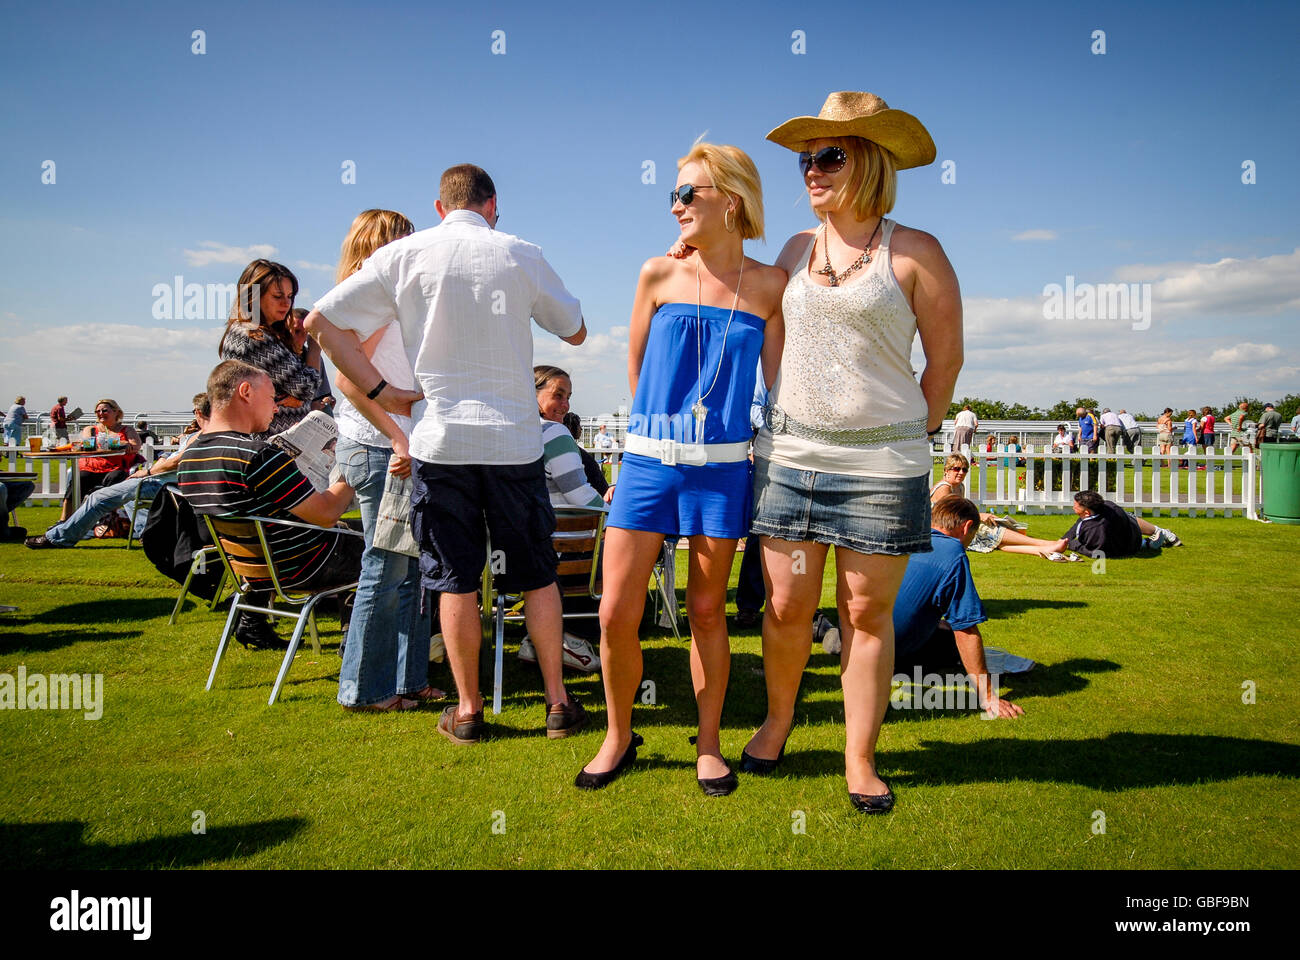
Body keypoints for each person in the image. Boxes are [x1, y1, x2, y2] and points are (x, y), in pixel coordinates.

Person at [304, 163, 590, 743]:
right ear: (491, 206)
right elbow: (577, 330)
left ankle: (467, 710)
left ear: (440, 207)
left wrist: (385, 392)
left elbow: (320, 324)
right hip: (511, 440)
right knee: (536, 575)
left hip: (440, 441)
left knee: (455, 579)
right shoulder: (520, 252)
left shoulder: (404, 256)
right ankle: (558, 704)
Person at [745, 91, 960, 815]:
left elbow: (945, 363)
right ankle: (777, 722)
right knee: (785, 607)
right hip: (791, 460)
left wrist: (900, 435)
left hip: (882, 468)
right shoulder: (793, 251)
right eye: (807, 160)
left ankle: (859, 758)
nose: (811, 170)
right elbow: (756, 316)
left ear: (867, 161)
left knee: (866, 616)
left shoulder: (917, 250)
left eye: (828, 156)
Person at [577, 142, 785, 796]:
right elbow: (637, 376)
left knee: (704, 610)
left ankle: (709, 743)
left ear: (732, 200)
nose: (675, 205)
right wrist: (648, 442)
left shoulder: (773, 286)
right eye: (673, 194)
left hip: (722, 472)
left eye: (688, 193)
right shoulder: (656, 275)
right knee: (615, 611)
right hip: (646, 464)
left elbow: (778, 386)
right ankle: (618, 734)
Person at [324, 208, 446, 713]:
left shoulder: (385, 299)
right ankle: (364, 688)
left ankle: (408, 676)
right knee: (386, 567)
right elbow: (349, 381)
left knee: (412, 569)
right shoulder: (370, 301)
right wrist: (398, 436)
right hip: (382, 448)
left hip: (397, 445)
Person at [178, 361, 365, 652]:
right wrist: (352, 470)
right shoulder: (258, 455)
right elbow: (327, 514)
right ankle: (358, 644)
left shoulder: (191, 458)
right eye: (271, 398)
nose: (276, 408)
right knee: (381, 545)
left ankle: (255, 622)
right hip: (303, 565)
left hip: (255, 569)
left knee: (354, 533)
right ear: (245, 392)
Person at [893, 497, 1024, 718]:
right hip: (896, 652)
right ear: (966, 528)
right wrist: (988, 696)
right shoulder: (952, 552)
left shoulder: (907, 537)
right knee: (951, 639)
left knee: (940, 626)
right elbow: (966, 628)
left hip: (860, 641)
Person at [26, 395, 209, 548]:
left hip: (163, 482)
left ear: (199, 412)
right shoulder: (196, 435)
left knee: (98, 498)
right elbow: (170, 458)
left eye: (194, 412)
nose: (101, 413)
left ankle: (57, 538)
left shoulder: (202, 435)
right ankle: (146, 534)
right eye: (98, 411)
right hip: (153, 477)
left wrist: (148, 472)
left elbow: (176, 461)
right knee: (104, 488)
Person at [524, 364, 607, 672]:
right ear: (531, 393)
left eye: (568, 397)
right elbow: (581, 496)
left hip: (515, 556)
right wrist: (618, 519)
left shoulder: (509, 433)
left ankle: (541, 638)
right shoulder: (554, 433)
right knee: (625, 555)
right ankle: (570, 638)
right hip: (564, 553)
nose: (566, 405)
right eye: (557, 395)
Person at [218, 260, 321, 438]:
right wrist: (315, 347)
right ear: (253, 296)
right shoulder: (254, 338)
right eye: (277, 296)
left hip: (269, 443)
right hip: (267, 446)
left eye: (289, 297)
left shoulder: (247, 332)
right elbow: (307, 387)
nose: (286, 303)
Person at [930, 454, 1067, 557]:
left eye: (965, 470)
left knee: (995, 540)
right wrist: (980, 516)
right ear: (946, 470)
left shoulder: (959, 487)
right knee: (992, 531)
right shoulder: (944, 488)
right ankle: (1046, 544)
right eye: (956, 469)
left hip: (955, 528)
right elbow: (951, 516)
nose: (961, 472)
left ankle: (1043, 550)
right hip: (944, 532)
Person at [60, 399, 141, 522]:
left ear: (116, 412)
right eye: (97, 411)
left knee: (117, 477)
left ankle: (108, 519)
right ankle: (64, 519)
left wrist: (120, 443)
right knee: (79, 479)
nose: (100, 413)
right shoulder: (90, 429)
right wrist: (118, 443)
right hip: (92, 466)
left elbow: (135, 446)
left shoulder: (127, 430)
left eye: (104, 410)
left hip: (116, 466)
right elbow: (88, 444)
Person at [1040, 490, 1183, 558]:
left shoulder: (1093, 531)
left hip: (1123, 548)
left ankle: (1149, 542)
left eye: (1076, 506)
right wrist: (1066, 537)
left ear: (1087, 512)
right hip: (1131, 535)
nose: (1073, 507)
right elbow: (1081, 520)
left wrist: (1071, 544)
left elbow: (1097, 553)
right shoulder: (1109, 506)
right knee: (1130, 518)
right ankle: (1155, 537)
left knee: (1127, 524)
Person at [562, 411, 610, 498]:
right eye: (579, 425)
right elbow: (602, 487)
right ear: (570, 427)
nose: (581, 429)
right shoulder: (582, 456)